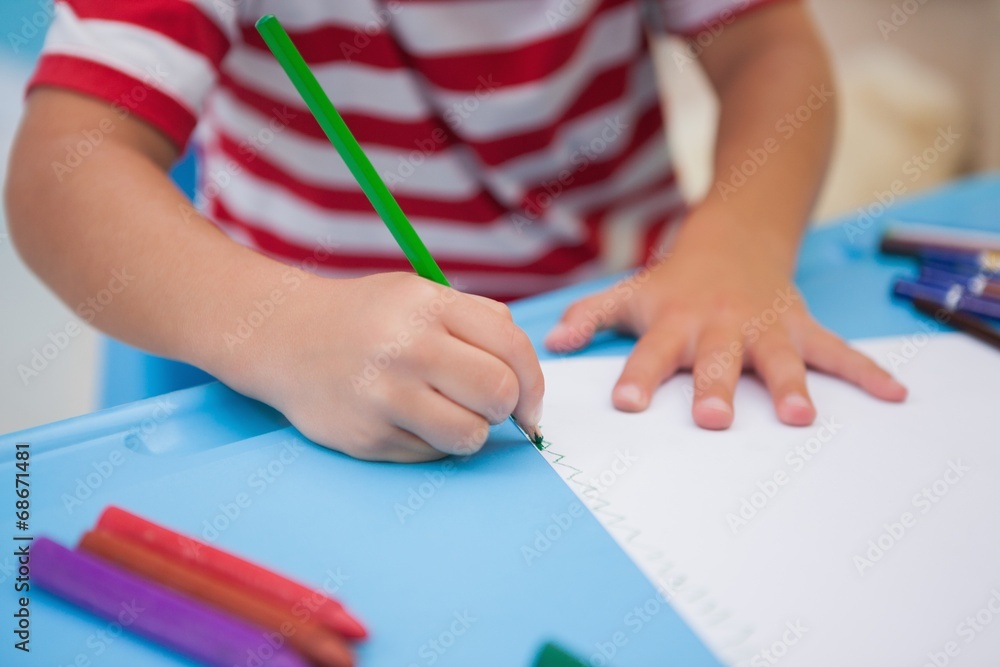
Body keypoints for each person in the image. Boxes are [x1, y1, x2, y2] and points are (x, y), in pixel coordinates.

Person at [5, 0, 906, 462]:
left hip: (622, 318)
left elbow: (771, 49)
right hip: (312, 375)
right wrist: (277, 328)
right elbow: (60, 171)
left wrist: (738, 241)